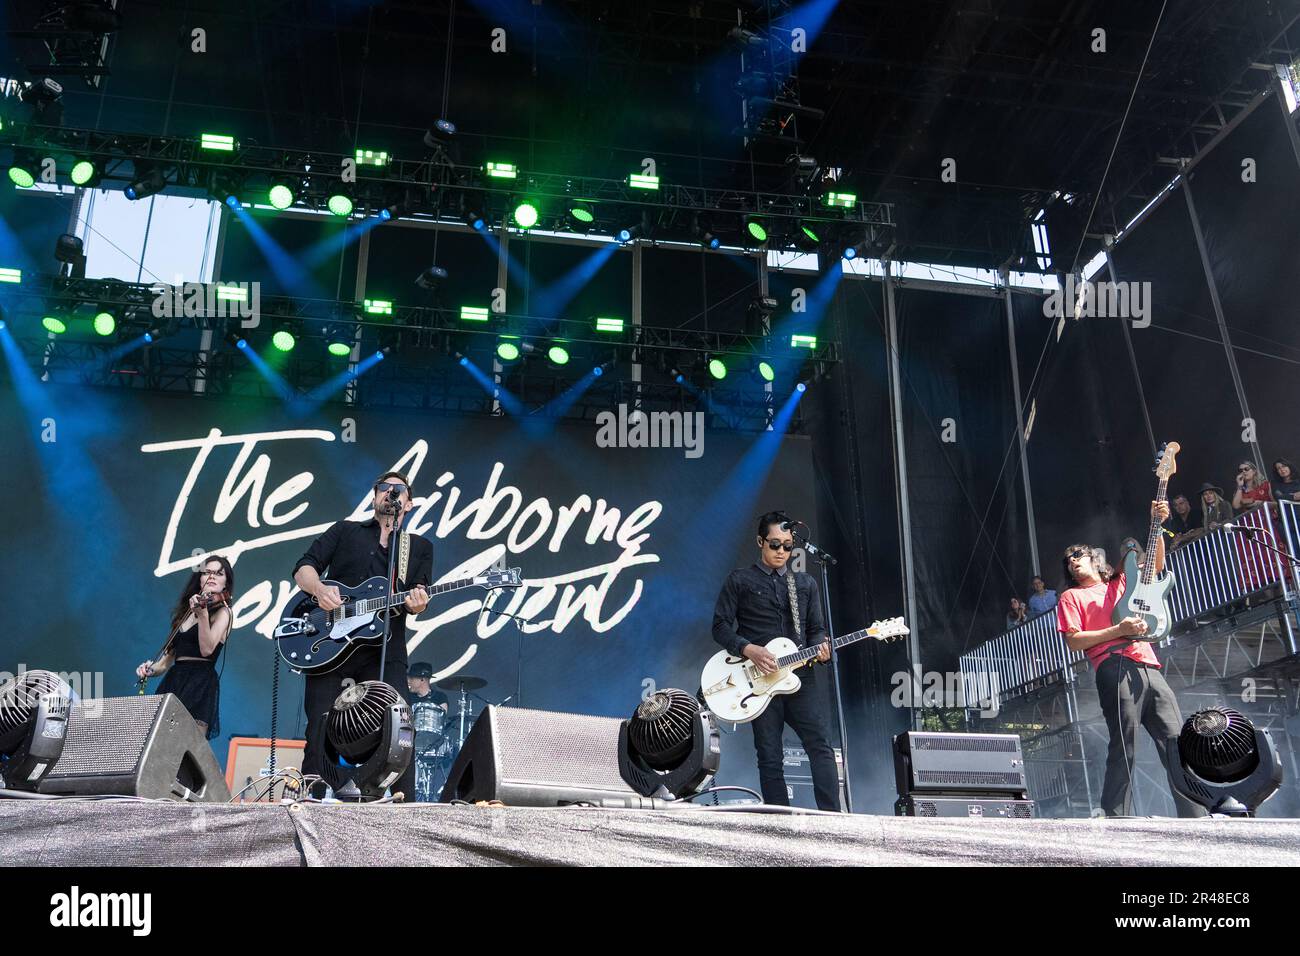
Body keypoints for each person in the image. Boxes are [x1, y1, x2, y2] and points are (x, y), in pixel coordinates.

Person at [1055, 502, 1204, 818]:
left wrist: (1158, 525)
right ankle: (1115, 815)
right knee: (1125, 745)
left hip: (1149, 666)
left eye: (1077, 556)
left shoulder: (1120, 582)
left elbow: (1155, 563)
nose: (1072, 562)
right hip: (1113, 666)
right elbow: (1073, 641)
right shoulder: (1071, 597)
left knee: (1177, 744)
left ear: (1095, 559)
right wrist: (1117, 630)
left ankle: (1196, 815)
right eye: (1068, 561)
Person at [293, 471, 432, 798]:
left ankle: (404, 810)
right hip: (331, 647)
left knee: (400, 725)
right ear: (374, 498)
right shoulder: (345, 531)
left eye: (399, 490)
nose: (391, 494)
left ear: (408, 503)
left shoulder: (420, 547)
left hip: (385, 647)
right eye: (385, 488)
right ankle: (311, 801)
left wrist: (418, 604)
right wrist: (319, 588)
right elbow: (304, 568)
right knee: (320, 725)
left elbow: (419, 596)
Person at [712, 512, 839, 811]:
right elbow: (719, 626)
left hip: (800, 678)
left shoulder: (805, 584)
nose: (781, 551)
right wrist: (748, 649)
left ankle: (834, 819)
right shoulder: (740, 580)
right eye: (774, 544)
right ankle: (779, 825)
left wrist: (822, 647)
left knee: (820, 746)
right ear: (760, 542)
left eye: (787, 545)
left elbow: (816, 629)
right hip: (759, 680)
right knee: (770, 755)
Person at [136, 556, 234, 740]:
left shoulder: (224, 612)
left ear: (225, 583)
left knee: (187, 745)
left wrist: (203, 615)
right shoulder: (185, 613)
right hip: (175, 679)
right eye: (207, 572)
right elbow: (166, 662)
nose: (212, 576)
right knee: (159, 741)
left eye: (219, 573)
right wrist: (149, 669)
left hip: (201, 682)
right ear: (200, 579)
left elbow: (207, 650)